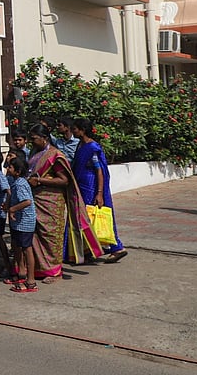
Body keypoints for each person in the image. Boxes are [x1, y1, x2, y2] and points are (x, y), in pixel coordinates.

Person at [27, 124, 102, 283]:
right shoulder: (35, 153)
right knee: (34, 235)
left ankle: (54, 271)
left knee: (50, 237)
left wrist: (39, 180)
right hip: (34, 200)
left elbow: (64, 180)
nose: (30, 142)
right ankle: (38, 268)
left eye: (33, 139)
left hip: (51, 202)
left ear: (44, 138)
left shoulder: (55, 155)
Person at [72, 118, 128, 263]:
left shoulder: (92, 148)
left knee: (94, 218)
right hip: (82, 186)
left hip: (91, 187)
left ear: (82, 130)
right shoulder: (81, 145)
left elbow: (99, 171)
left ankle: (116, 247)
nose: (73, 131)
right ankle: (88, 249)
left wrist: (99, 193)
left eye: (75, 129)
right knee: (85, 219)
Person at [4, 154, 38, 293]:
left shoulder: (20, 183)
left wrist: (12, 209)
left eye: (10, 167)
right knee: (18, 247)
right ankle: (22, 273)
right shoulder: (15, 182)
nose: (8, 168)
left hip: (25, 222)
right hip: (17, 222)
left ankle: (31, 281)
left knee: (27, 249)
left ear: (17, 171)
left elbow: (27, 201)